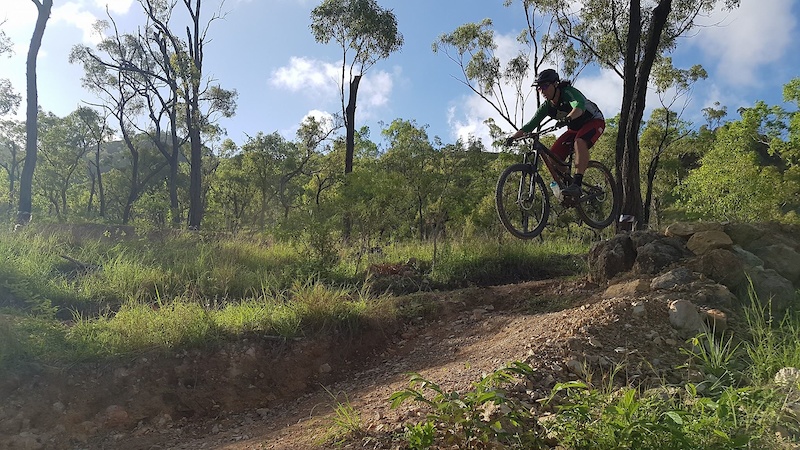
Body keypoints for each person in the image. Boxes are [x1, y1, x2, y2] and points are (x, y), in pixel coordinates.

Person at [505, 69, 605, 197]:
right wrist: (513, 138)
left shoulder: (568, 92)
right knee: (553, 158)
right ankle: (568, 184)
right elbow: (530, 125)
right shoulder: (547, 106)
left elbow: (579, 106)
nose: (542, 91)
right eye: (539, 88)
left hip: (594, 120)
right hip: (574, 129)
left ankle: (577, 184)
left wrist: (568, 118)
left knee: (579, 142)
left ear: (555, 84)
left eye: (545, 86)